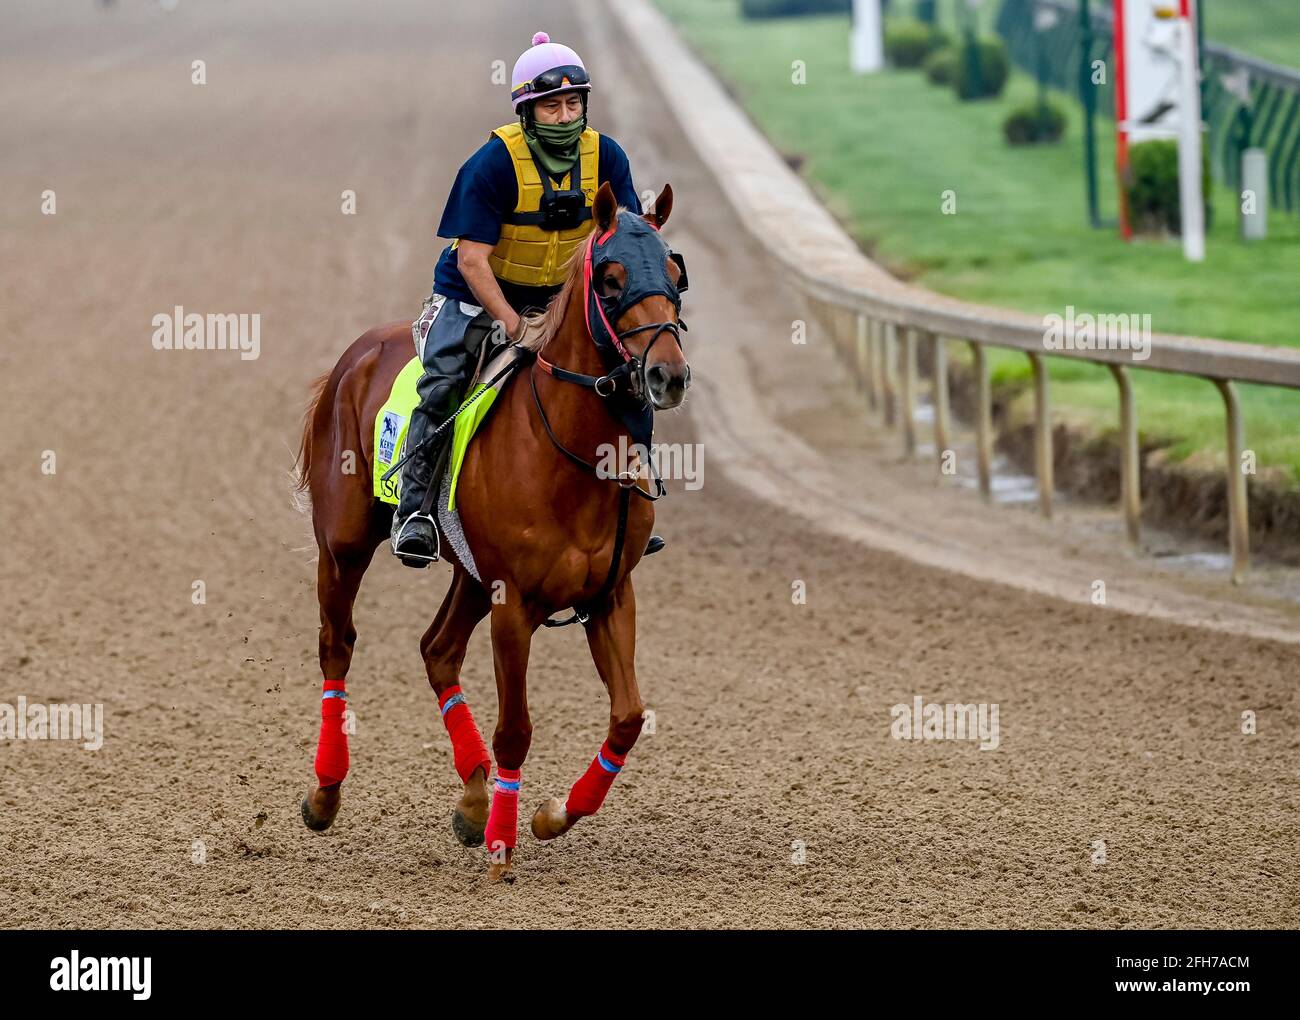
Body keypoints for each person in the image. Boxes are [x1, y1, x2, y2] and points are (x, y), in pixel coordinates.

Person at [393, 30, 664, 566]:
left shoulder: (607, 155)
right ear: (527, 112)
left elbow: (626, 234)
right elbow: (472, 260)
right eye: (551, 106)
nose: (565, 117)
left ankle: (631, 494)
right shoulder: (491, 164)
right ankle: (416, 510)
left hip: (562, 295)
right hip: (480, 294)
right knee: (445, 379)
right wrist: (517, 327)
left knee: (632, 373)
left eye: (573, 103)